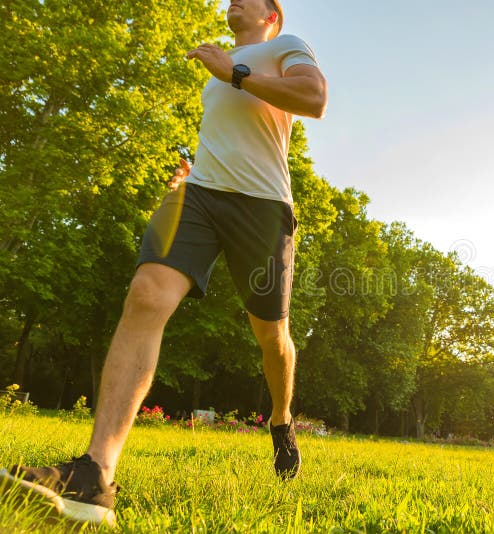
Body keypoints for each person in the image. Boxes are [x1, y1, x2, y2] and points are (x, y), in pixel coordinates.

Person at [0, 0, 327, 526]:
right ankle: (95, 474)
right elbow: (231, 133)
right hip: (199, 196)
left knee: (271, 334)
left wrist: (235, 71)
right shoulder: (220, 71)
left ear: (272, 15)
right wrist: (193, 171)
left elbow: (315, 99)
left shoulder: (283, 48)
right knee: (146, 294)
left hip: (263, 206)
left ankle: (282, 418)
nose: (231, 1)